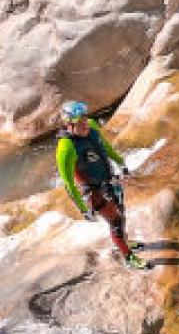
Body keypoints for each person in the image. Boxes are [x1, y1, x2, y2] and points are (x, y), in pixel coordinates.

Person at [55, 100, 148, 270]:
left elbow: (104, 146)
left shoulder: (91, 125)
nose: (84, 124)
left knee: (121, 212)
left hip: (109, 179)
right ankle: (128, 257)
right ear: (69, 124)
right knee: (115, 221)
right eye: (78, 121)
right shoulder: (66, 148)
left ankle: (124, 242)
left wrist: (121, 162)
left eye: (84, 117)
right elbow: (68, 183)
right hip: (92, 190)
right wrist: (83, 208)